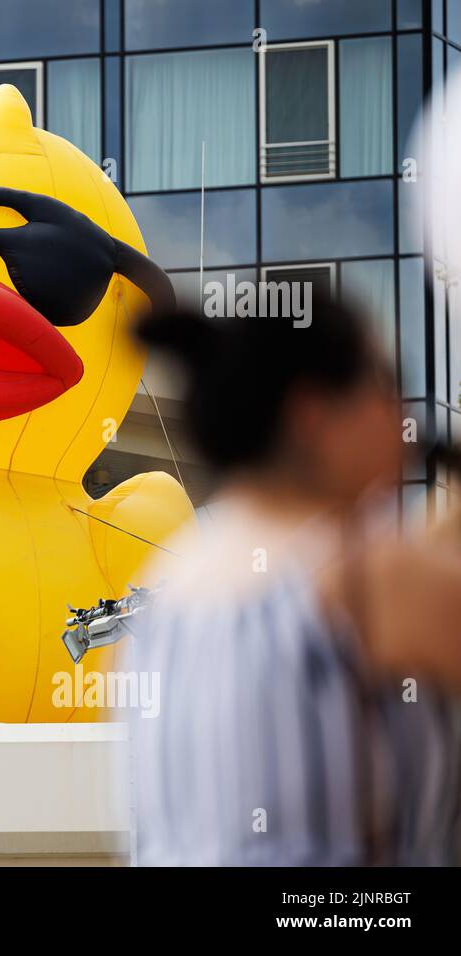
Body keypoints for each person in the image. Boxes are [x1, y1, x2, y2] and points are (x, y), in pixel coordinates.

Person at [125, 293, 461, 865]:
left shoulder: (174, 582)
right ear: (314, 413)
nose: (402, 412)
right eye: (384, 383)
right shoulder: (368, 579)